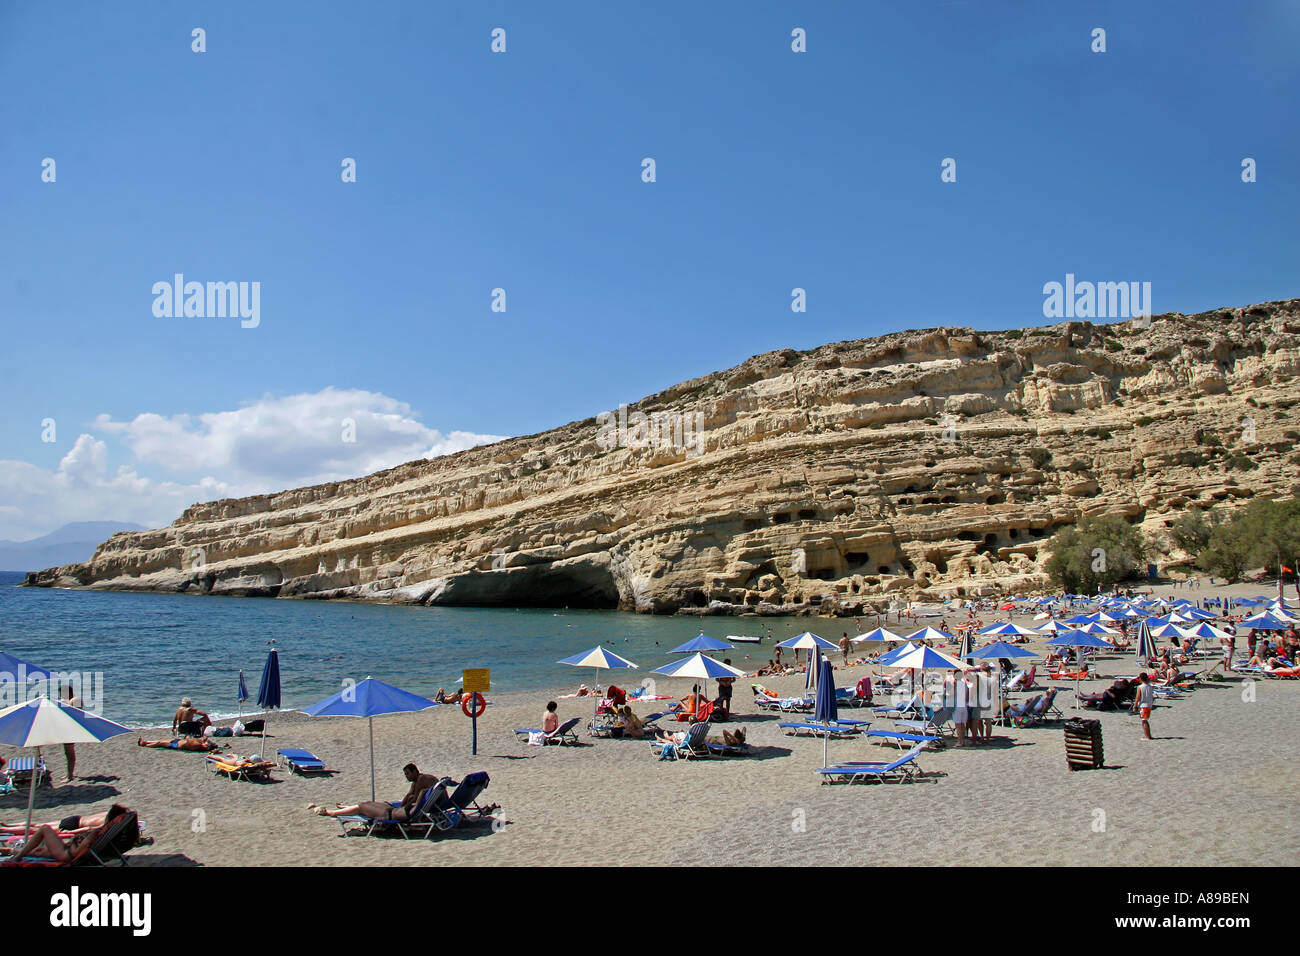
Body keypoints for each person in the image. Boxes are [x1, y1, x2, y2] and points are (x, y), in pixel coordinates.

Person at [310, 763, 445, 819]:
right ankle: (346, 808)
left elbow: (413, 799)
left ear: (416, 771)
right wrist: (408, 801)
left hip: (397, 814)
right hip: (398, 811)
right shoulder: (420, 782)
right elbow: (410, 797)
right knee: (367, 803)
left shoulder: (421, 781)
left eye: (408, 773)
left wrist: (409, 801)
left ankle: (331, 812)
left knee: (363, 806)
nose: (407, 776)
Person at [3, 805, 129, 863]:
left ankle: (17, 856)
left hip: (66, 853)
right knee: (39, 850)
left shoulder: (99, 831)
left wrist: (79, 839)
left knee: (44, 828)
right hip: (66, 850)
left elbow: (82, 848)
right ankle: (11, 851)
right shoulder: (107, 831)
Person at [61, 683, 84, 783]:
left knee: (69, 753)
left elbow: (76, 714)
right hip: (68, 728)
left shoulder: (75, 700)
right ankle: (69, 774)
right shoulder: (71, 700)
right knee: (67, 752)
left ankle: (70, 776)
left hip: (71, 729)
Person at [1131, 672, 1154, 740]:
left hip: (1143, 705)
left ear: (1141, 679)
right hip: (1149, 704)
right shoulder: (1150, 686)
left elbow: (1138, 697)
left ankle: (1147, 737)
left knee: (1144, 721)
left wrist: (1135, 706)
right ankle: (1148, 735)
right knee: (1145, 720)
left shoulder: (1140, 687)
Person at [137, 736, 222, 752]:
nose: (206, 744)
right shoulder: (201, 743)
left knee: (160, 743)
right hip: (178, 741)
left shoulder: (198, 745)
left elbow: (189, 740)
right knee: (162, 740)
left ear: (206, 747)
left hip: (177, 745)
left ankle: (145, 745)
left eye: (206, 745)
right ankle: (146, 742)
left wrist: (202, 741)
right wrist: (203, 740)